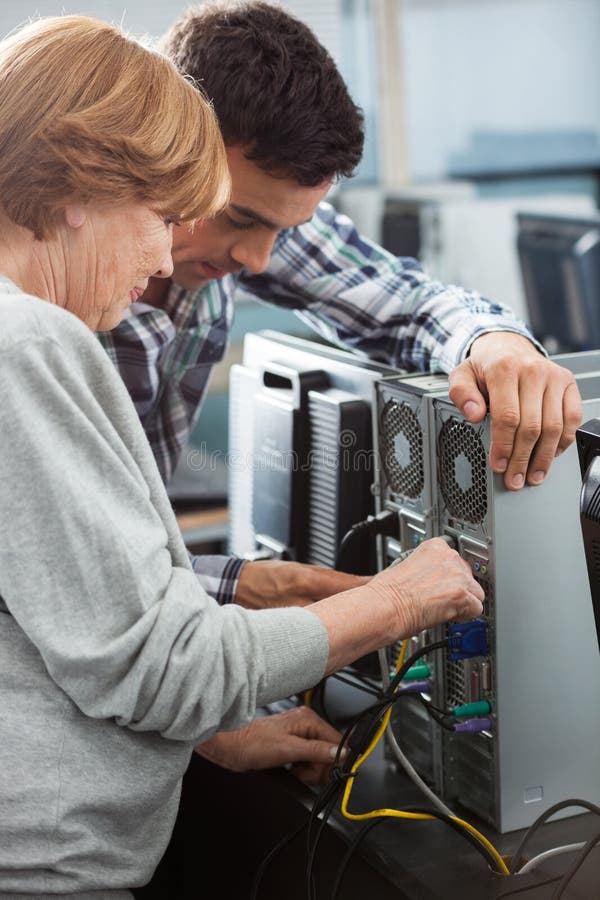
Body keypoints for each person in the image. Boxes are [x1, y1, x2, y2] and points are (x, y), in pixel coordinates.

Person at [0, 15, 485, 897]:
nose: (161, 252)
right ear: (78, 183)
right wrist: (398, 601)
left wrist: (256, 600)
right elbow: (160, 669)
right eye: (161, 212)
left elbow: (66, 605)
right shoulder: (28, 341)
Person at [98, 0, 582, 618]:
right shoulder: (46, 298)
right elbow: (59, 574)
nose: (257, 259)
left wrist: (494, 344)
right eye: (241, 218)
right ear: (166, 142)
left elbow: (402, 303)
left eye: (282, 229)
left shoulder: (251, 217)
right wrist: (251, 594)